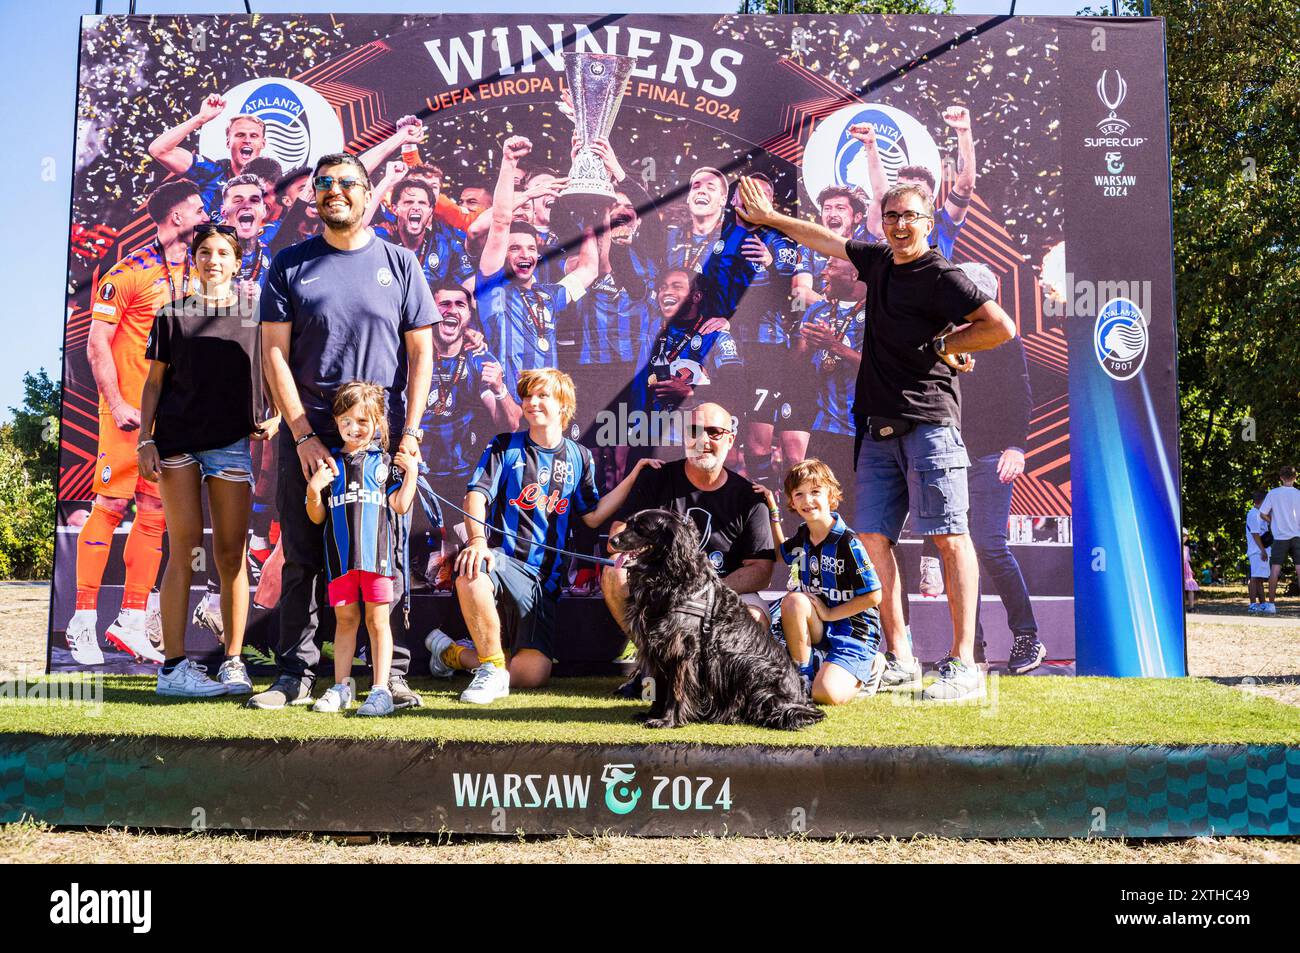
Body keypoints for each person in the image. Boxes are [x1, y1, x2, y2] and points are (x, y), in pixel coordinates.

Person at [736, 175, 1016, 702]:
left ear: (928, 223)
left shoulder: (941, 274)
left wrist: (945, 341)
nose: (901, 225)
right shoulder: (880, 261)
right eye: (892, 217)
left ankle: (964, 664)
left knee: (950, 538)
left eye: (911, 216)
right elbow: (823, 238)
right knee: (871, 541)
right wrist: (771, 219)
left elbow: (999, 326)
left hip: (930, 425)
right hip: (877, 430)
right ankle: (901, 657)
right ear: (882, 223)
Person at [251, 151, 435, 710]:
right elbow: (273, 355)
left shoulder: (400, 262)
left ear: (366, 192)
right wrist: (304, 434)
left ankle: (392, 677)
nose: (335, 191)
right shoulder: (289, 264)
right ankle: (294, 675)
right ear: (314, 196)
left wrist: (411, 436)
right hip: (311, 438)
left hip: (381, 441)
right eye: (324, 184)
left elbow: (422, 355)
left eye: (346, 183)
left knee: (388, 555)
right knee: (303, 554)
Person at [445, 368, 659, 701]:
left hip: (544, 583)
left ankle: (453, 653)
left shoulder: (579, 456)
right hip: (505, 563)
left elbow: (592, 516)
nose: (531, 402)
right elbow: (476, 495)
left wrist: (634, 474)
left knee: (531, 676)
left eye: (542, 395)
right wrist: (476, 541)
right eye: (527, 395)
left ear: (562, 404)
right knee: (472, 569)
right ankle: (489, 666)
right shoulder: (505, 446)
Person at [64, 181, 210, 667]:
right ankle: (82, 621)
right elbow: (95, 343)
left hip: (170, 420)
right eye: (197, 207)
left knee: (154, 515)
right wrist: (119, 403)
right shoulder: (126, 272)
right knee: (108, 505)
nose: (204, 212)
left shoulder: (195, 273)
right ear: (174, 215)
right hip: (126, 414)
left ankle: (129, 619)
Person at [137, 223, 277, 696]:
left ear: (237, 262)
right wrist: (144, 440)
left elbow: (273, 375)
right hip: (176, 444)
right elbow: (154, 383)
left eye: (222, 253)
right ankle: (173, 668)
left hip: (231, 445)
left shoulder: (256, 318)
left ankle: (233, 661)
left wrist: (275, 418)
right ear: (193, 260)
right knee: (182, 552)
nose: (212, 260)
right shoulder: (171, 315)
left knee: (230, 555)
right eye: (204, 252)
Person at [602, 402, 778, 697]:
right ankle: (654, 667)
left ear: (731, 439)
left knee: (756, 617)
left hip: (722, 592)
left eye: (714, 432)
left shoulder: (750, 497)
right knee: (613, 573)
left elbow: (761, 572)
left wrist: (699, 593)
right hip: (663, 590)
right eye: (694, 430)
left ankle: (715, 686)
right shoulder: (657, 479)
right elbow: (616, 538)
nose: (703, 440)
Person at [306, 382, 421, 716]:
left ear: (377, 424)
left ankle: (380, 690)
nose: (353, 428)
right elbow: (317, 516)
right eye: (346, 421)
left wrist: (411, 472)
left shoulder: (384, 464)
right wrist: (314, 491)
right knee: (345, 621)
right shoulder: (329, 465)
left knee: (377, 621)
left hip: (378, 561)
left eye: (362, 421)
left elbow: (399, 505)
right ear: (336, 420)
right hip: (340, 562)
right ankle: (341, 687)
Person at [474, 136, 598, 395]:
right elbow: (499, 222)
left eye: (531, 248)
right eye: (515, 248)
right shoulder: (493, 290)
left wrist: (590, 216)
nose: (525, 254)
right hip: (506, 398)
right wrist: (509, 163)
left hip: (547, 401)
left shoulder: (550, 295)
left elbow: (589, 269)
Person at [418, 282, 521, 588]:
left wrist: (500, 388)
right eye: (443, 305)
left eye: (459, 305)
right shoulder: (413, 353)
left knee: (469, 565)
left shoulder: (480, 361)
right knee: (424, 573)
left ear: (469, 315)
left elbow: (510, 425)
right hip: (416, 478)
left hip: (461, 480)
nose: (451, 311)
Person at [762, 459, 884, 704]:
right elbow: (780, 553)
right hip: (820, 627)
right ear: (792, 502)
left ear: (831, 495)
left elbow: (874, 596)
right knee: (794, 601)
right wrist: (773, 512)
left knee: (825, 694)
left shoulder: (848, 542)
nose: (807, 501)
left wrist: (829, 613)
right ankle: (802, 675)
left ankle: (872, 667)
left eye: (815, 492)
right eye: (799, 494)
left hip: (853, 631)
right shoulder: (803, 535)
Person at [148, 94, 267, 214]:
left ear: (263, 143)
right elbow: (159, 150)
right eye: (240, 135)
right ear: (228, 142)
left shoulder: (271, 186)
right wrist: (201, 118)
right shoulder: (212, 172)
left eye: (254, 136)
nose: (247, 140)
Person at [1260, 465, 1300, 615]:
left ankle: (1271, 605)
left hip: (1280, 537)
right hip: (1297, 535)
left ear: (1281, 478)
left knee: (1275, 570)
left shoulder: (1273, 493)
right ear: (1295, 477)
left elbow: (1262, 514)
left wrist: (1273, 520)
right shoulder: (1298, 494)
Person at [1246, 489, 1270, 612]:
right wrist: (1263, 550)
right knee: (1255, 578)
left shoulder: (1260, 514)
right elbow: (1255, 534)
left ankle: (1262, 604)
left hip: (1261, 550)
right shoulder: (1253, 514)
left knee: (1260, 579)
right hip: (1257, 551)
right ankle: (1252, 605)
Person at [1182, 529, 1199, 611]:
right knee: (1180, 589)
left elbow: (1187, 560)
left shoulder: (1187, 548)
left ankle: (1191, 607)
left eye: (1184, 535)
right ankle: (1181, 607)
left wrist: (1191, 570)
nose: (1182, 537)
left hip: (1187, 571)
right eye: (1181, 535)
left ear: (1187, 537)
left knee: (1190, 588)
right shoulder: (1174, 546)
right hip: (1179, 569)